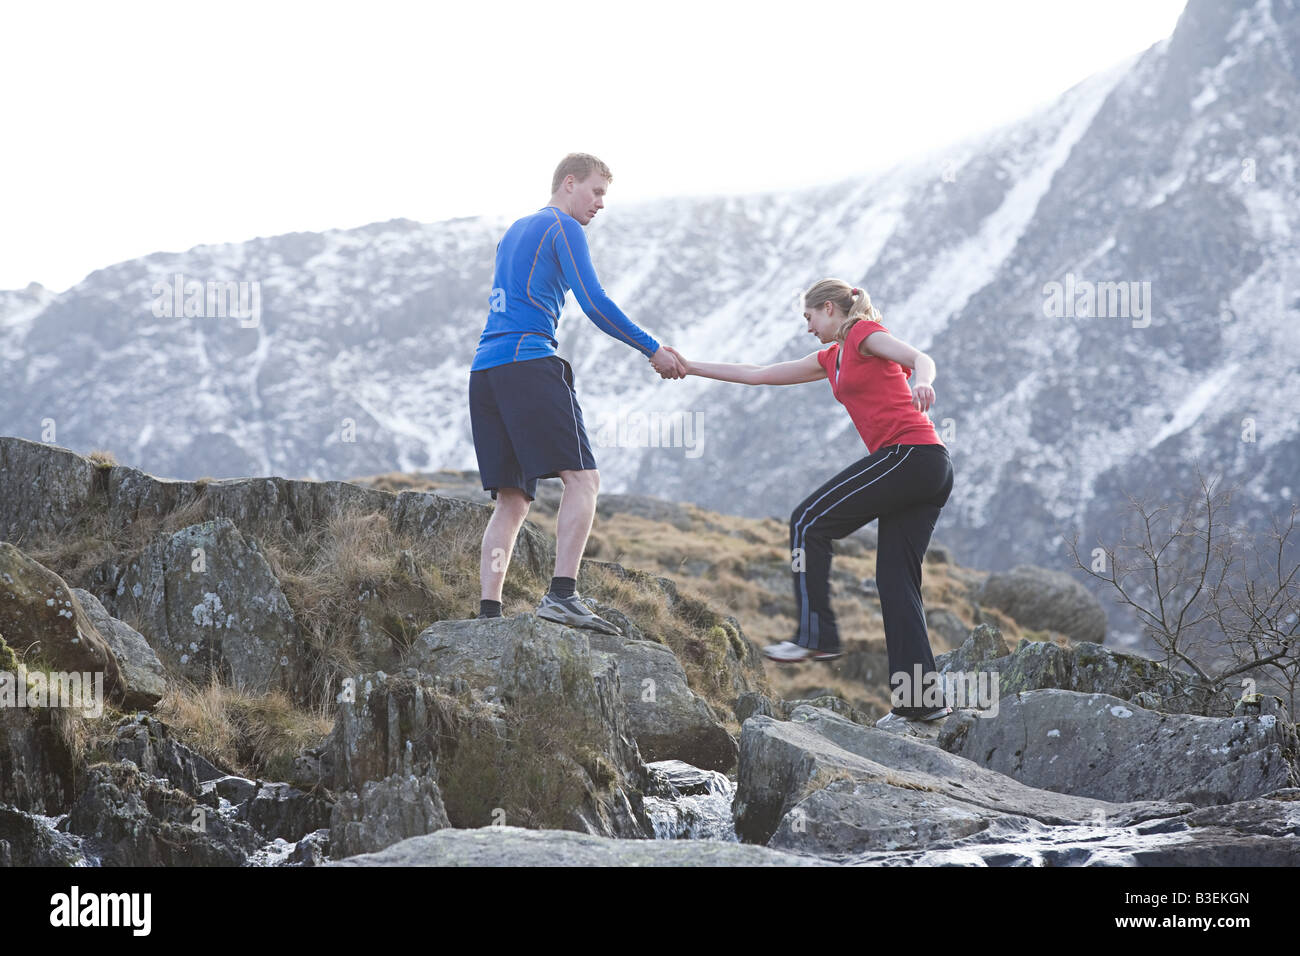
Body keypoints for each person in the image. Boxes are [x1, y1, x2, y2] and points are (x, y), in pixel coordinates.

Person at [660, 278, 955, 723]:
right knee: (896, 582)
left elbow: (919, 358)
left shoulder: (862, 334)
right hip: (923, 468)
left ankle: (815, 634)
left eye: (810, 317)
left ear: (832, 309)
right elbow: (757, 375)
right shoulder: (830, 358)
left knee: (807, 521)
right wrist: (690, 366)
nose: (808, 327)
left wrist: (925, 383)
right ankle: (921, 701)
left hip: (912, 456)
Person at [469, 152, 686, 635]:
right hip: (528, 361)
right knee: (583, 480)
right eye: (597, 192)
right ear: (570, 183)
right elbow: (594, 302)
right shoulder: (562, 228)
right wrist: (653, 349)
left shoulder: (511, 233)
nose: (601, 204)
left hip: (485, 372)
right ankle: (562, 595)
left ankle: (488, 614)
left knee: (512, 500)